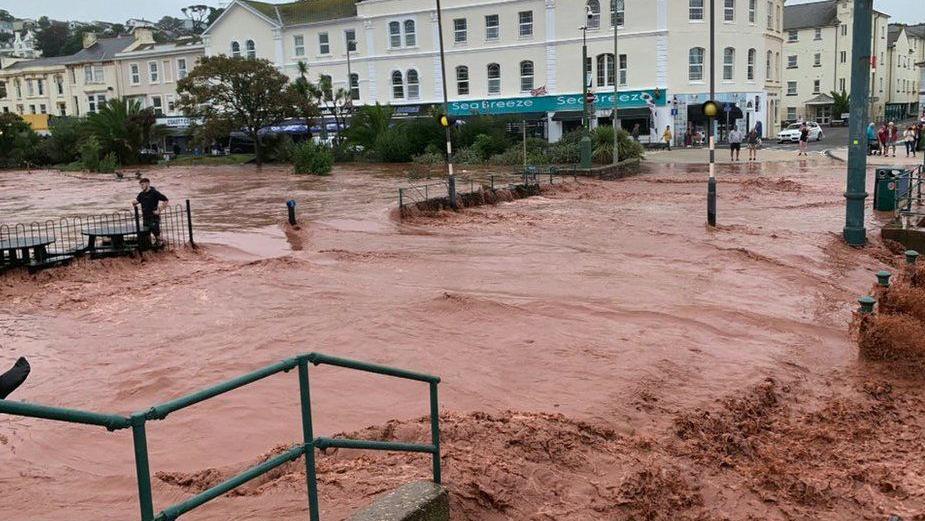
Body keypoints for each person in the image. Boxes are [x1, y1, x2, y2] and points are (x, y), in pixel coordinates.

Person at [133, 178, 169, 247]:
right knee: (146, 235)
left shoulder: (154, 192)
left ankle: (161, 247)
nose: (141, 186)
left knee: (157, 235)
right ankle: (150, 248)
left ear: (148, 183)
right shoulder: (141, 194)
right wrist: (134, 203)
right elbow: (137, 201)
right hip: (145, 218)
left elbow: (166, 200)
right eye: (140, 185)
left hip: (154, 218)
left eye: (142, 185)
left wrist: (159, 210)